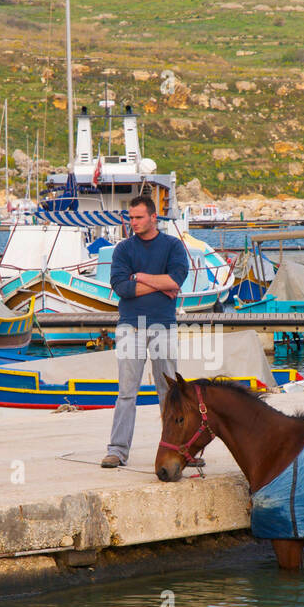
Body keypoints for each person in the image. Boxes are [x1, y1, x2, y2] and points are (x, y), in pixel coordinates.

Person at [102, 194, 196, 468]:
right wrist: (161, 285)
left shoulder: (172, 246)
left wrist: (141, 277)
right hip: (129, 327)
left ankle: (180, 450)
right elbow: (122, 288)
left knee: (169, 394)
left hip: (163, 326)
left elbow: (175, 280)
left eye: (138, 217)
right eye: (130, 218)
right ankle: (117, 451)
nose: (133, 222)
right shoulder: (123, 250)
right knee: (126, 392)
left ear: (154, 217)